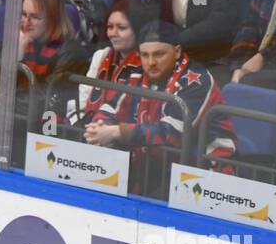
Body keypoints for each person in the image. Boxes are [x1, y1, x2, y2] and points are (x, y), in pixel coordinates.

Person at [85, 22, 236, 195]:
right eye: (145, 55)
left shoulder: (197, 80)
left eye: (159, 54)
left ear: (177, 52)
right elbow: (111, 107)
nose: (151, 62)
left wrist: (117, 132)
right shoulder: (138, 72)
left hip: (205, 173)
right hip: (158, 164)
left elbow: (171, 133)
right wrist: (99, 126)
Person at [0, 0, 87, 123]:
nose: (26, 23)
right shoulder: (13, 43)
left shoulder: (70, 51)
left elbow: (48, 98)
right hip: (13, 121)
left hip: (50, 126)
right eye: (23, 14)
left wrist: (4, 99)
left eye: (34, 17)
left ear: (53, 19)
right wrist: (17, 57)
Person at [140, 0, 241, 71]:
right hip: (171, 58)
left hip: (211, 59)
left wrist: (176, 41)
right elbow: (152, 20)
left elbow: (221, 21)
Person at [73, 0, 145, 126]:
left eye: (121, 28)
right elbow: (82, 98)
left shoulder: (147, 62)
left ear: (138, 29)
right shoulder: (101, 55)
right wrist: (78, 123)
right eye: (110, 27)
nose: (113, 34)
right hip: (88, 128)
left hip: (121, 135)